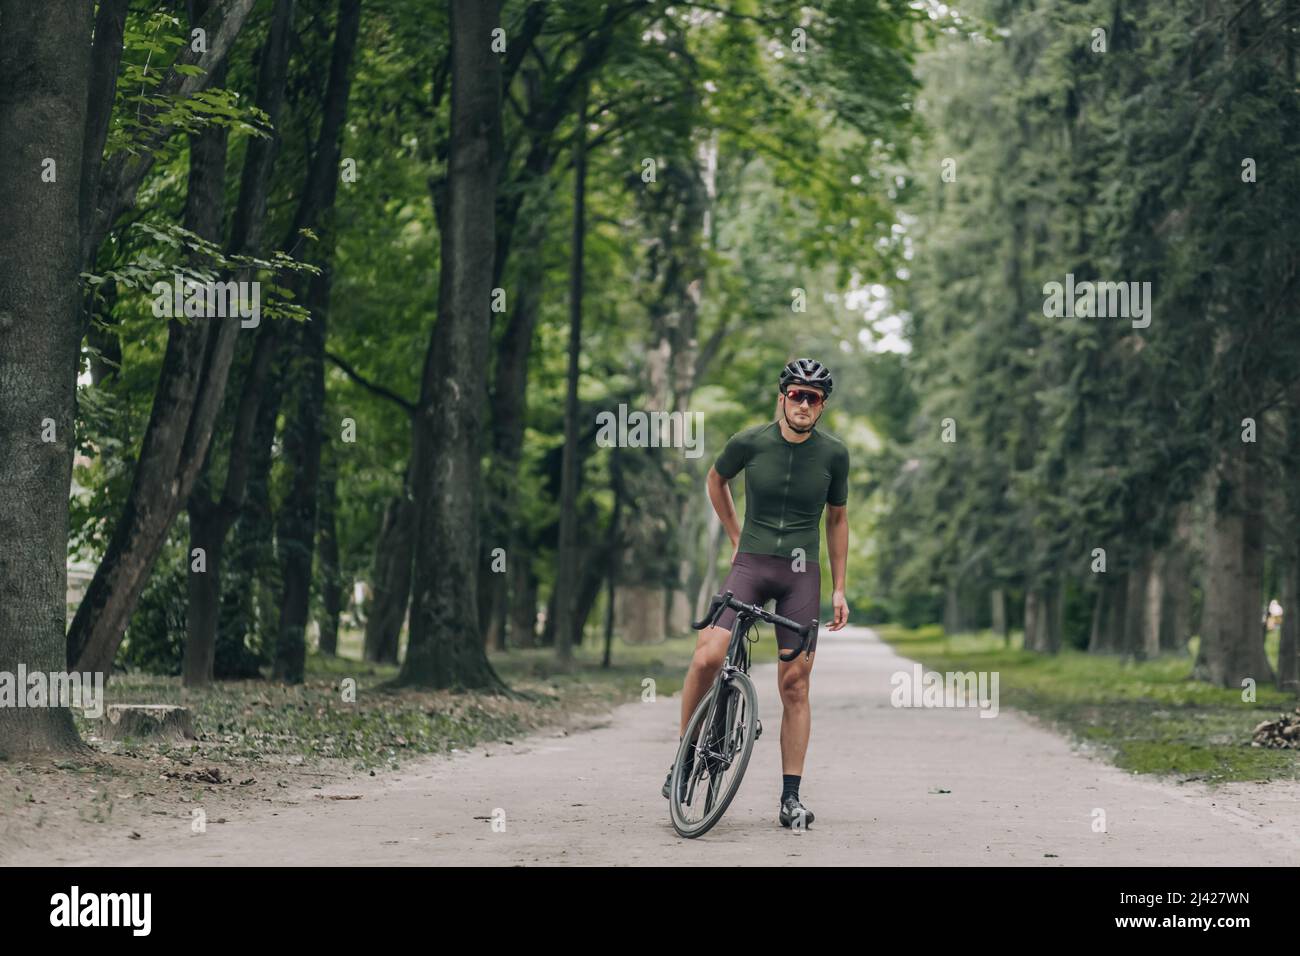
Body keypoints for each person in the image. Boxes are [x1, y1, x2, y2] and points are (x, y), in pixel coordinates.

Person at [663, 357, 851, 828]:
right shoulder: (749, 442)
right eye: (796, 394)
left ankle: (790, 799)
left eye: (813, 397)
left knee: (795, 683)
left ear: (822, 405)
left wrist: (841, 589)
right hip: (750, 562)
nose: (804, 403)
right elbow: (716, 480)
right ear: (782, 396)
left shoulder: (834, 455)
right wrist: (733, 535)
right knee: (707, 654)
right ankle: (685, 758)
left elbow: (838, 519)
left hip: (801, 573)